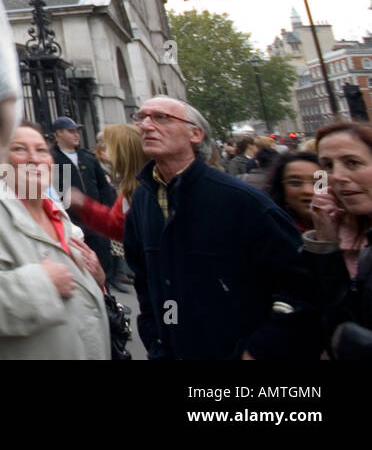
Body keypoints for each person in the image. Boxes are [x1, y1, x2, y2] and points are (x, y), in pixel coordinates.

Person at [124, 96, 319, 360]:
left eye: (160, 118)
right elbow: (147, 277)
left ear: (195, 134)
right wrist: (158, 333)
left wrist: (257, 349)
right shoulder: (143, 198)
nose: (146, 126)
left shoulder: (243, 200)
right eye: (141, 117)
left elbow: (299, 286)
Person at [0, 124, 109, 359]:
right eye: (19, 149)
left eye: (42, 150)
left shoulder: (55, 210)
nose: (34, 158)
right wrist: (42, 283)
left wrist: (97, 280)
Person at [303, 121, 372, 358]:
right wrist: (325, 242)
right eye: (327, 166)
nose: (338, 177)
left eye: (353, 163)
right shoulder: (341, 234)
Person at [50, 116, 117, 282]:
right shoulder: (52, 158)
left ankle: (107, 296)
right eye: (71, 131)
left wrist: (106, 208)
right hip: (71, 222)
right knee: (79, 263)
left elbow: (103, 186)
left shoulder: (87, 157)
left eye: (77, 131)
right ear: (58, 133)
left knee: (102, 259)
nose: (76, 135)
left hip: (95, 219)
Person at [266, 151, 322, 231]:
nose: (307, 191)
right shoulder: (269, 231)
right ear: (281, 189)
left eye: (318, 183)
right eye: (295, 183)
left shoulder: (344, 226)